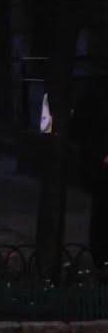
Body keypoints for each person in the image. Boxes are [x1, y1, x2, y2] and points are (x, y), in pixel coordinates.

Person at [70, 80, 108, 268]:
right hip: (99, 167)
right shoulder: (95, 96)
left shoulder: (94, 95)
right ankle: (101, 260)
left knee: (101, 214)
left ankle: (101, 259)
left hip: (97, 164)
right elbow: (79, 132)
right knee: (102, 214)